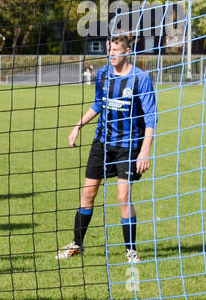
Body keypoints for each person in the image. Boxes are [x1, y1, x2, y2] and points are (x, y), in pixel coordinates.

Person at [58, 35, 157, 264]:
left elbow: (151, 117)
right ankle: (77, 244)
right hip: (102, 143)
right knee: (88, 193)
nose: (111, 54)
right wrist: (78, 126)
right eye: (109, 50)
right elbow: (98, 104)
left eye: (115, 50)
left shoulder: (140, 78)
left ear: (127, 51)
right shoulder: (103, 74)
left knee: (123, 196)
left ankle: (131, 251)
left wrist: (145, 151)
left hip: (128, 146)